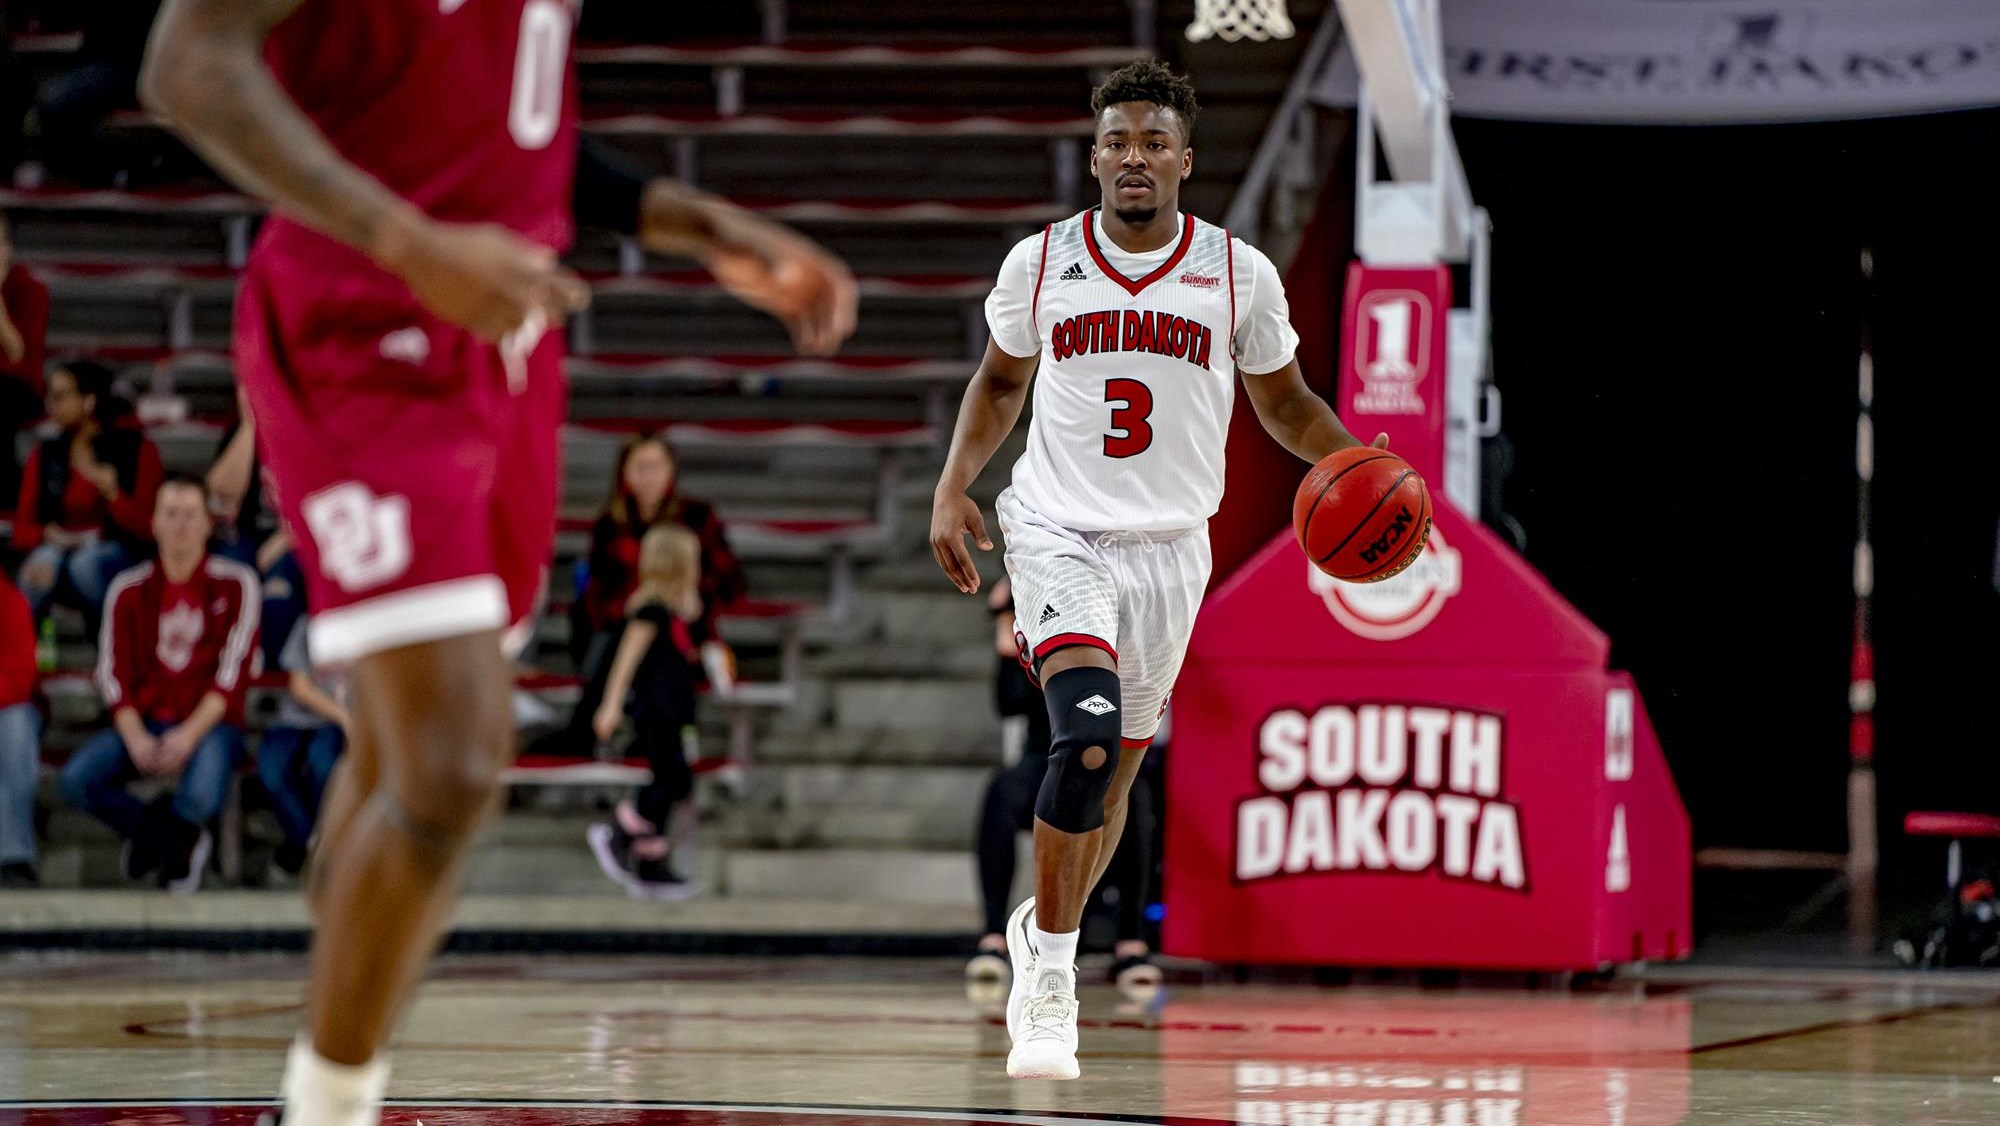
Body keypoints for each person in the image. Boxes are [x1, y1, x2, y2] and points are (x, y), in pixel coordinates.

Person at [141, 2, 856, 1121]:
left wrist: (693, 219)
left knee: (390, 762)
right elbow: (184, 65)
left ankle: (327, 1054)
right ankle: (325, 1105)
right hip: (358, 325)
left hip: (504, 341)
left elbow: (498, 129)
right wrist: (409, 243)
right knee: (456, 758)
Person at [928, 60, 1387, 1080]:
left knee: (1116, 775)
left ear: (1184, 157)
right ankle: (1047, 976)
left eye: (1151, 141)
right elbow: (999, 382)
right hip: (1056, 531)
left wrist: (1354, 462)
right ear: (1094, 157)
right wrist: (952, 484)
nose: (1132, 157)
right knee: (1082, 740)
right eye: (1115, 142)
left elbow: (1282, 403)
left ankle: (1040, 928)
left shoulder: (1237, 275)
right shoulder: (1041, 263)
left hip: (1173, 549)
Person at [59, 473, 258, 894]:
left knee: (202, 795)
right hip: (146, 720)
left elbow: (231, 676)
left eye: (190, 515)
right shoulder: (127, 589)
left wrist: (188, 736)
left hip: (211, 726)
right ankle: (170, 838)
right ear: (154, 523)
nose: (181, 524)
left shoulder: (237, 583)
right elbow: (113, 674)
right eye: (171, 514)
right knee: (76, 780)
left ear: (208, 523)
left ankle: (161, 837)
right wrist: (133, 737)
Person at [968, 577, 1160, 993]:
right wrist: (1005, 619)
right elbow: (1009, 702)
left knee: (1133, 793)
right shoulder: (1043, 588)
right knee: (1000, 794)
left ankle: (1131, 937)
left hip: (1111, 747)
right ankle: (994, 935)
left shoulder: (1125, 597)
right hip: (1045, 750)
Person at [583, 523, 706, 901]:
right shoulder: (649, 612)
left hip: (674, 708)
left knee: (678, 780)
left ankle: (651, 860)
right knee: (668, 777)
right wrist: (611, 705)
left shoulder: (674, 613)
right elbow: (625, 661)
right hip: (655, 709)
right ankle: (620, 828)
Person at [14, 359, 163, 627]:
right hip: (59, 549)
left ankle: (115, 645)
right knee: (41, 562)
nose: (51, 405)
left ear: (89, 400)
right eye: (50, 396)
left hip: (118, 553)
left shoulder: (137, 450)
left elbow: (149, 528)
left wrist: (114, 495)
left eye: (60, 396)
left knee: (85, 563)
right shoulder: (45, 453)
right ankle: (21, 654)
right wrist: (45, 534)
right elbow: (22, 529)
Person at [259, 615, 348, 878]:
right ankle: (309, 840)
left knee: (324, 764)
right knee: (271, 769)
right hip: (296, 719)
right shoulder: (311, 621)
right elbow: (299, 687)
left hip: (339, 728)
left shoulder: (367, 626)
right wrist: (345, 717)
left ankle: (314, 845)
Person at [0, 213, 50, 499]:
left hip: (21, 388)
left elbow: (17, 353)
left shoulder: (31, 289)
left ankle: (9, 492)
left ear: (7, 249)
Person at [0, 570, 44, 887]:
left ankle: (14, 859)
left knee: (15, 729)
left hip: (9, 707)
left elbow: (19, 680)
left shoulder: (10, 599)